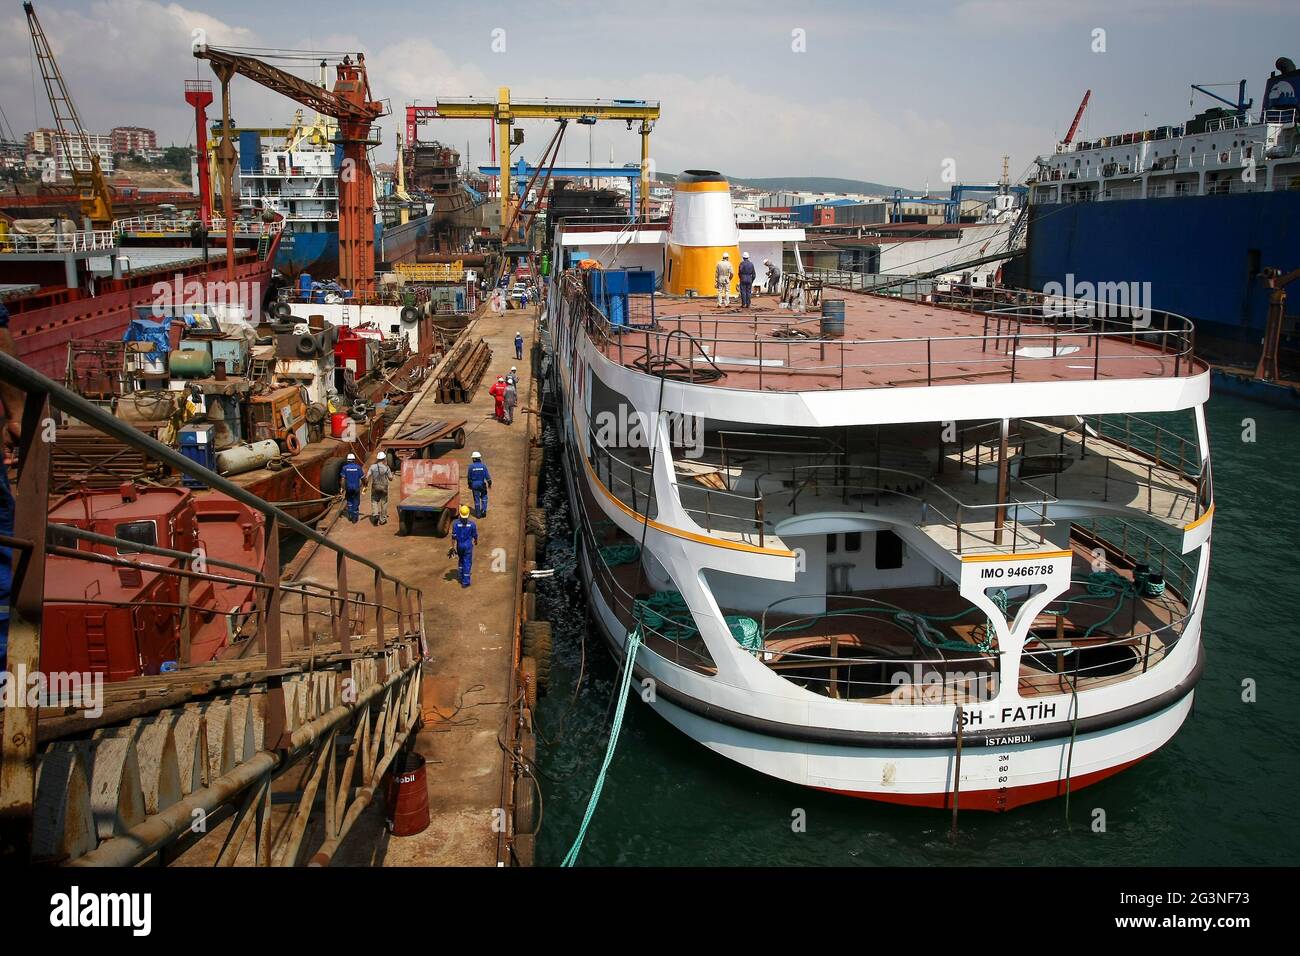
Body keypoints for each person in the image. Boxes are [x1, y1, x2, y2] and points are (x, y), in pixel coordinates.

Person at [451, 504, 478, 588]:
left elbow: (453, 536)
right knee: (467, 562)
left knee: (461, 559)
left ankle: (460, 574)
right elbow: (475, 535)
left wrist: (452, 547)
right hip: (468, 546)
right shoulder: (472, 524)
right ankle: (465, 582)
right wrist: (476, 541)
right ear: (468, 514)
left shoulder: (455, 524)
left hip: (459, 545)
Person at [367, 451, 393, 526]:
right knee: (384, 502)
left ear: (378, 459)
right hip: (384, 487)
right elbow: (390, 478)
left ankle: (375, 515)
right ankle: (382, 520)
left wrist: (365, 484)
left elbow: (367, 476)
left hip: (375, 486)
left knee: (374, 501)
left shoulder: (372, 466)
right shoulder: (386, 468)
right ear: (384, 458)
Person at [340, 452, 364, 523]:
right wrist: (365, 484)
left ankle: (350, 515)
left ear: (347, 460)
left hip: (348, 488)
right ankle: (355, 517)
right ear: (354, 460)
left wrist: (342, 488)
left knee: (349, 501)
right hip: (356, 488)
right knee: (356, 501)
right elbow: (363, 478)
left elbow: (343, 479)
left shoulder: (344, 468)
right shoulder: (358, 467)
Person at [467, 450, 492, 517]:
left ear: (474, 459)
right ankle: (483, 510)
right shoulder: (483, 466)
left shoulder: (471, 467)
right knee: (484, 496)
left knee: (476, 499)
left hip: (474, 485)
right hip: (481, 484)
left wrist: (470, 485)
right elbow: (488, 477)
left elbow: (469, 478)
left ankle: (478, 514)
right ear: (479, 458)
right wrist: (489, 484)